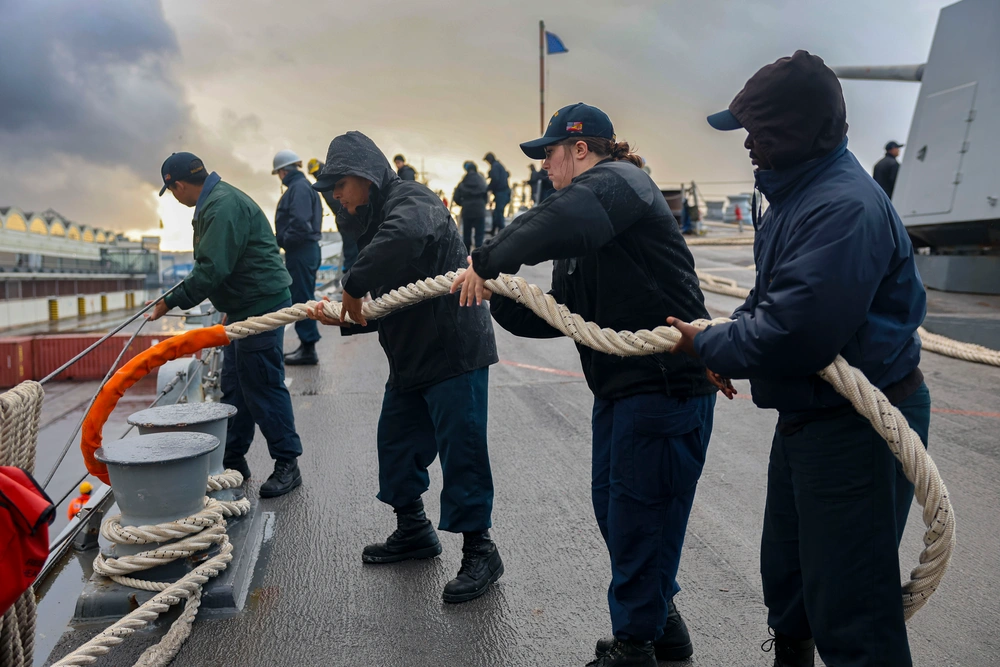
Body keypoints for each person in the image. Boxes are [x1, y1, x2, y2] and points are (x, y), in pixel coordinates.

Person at [671, 51, 930, 667]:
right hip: (812, 415)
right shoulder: (797, 195)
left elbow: (793, 335)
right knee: (789, 577)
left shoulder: (842, 207)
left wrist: (706, 343)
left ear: (793, 129)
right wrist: (729, 341)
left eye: (756, 131)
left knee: (852, 610)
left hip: (859, 428)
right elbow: (770, 301)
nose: (748, 146)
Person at [454, 103, 717, 667]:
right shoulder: (587, 223)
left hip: (666, 387)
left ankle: (634, 647)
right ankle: (661, 627)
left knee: (639, 515)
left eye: (548, 153)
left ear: (581, 149)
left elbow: (559, 218)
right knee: (616, 511)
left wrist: (488, 256)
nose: (543, 166)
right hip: (623, 389)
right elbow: (561, 313)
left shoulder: (622, 182)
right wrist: (499, 293)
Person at [307, 131, 503, 603]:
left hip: (453, 351)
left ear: (364, 175)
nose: (335, 196)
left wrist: (353, 283)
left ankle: (481, 550)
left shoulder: (410, 200)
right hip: (412, 356)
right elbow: (385, 302)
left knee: (464, 453)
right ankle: (414, 530)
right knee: (395, 444)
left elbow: (404, 238)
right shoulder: (369, 220)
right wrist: (341, 312)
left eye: (338, 184)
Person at [152, 152, 304, 498]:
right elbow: (227, 266)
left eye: (172, 191)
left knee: (263, 383)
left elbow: (211, 270)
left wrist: (168, 301)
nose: (175, 198)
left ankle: (287, 463)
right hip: (243, 307)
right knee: (235, 384)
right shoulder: (217, 200)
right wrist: (229, 308)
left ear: (176, 185)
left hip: (260, 305)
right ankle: (234, 457)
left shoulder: (220, 207)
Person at [272, 150, 323, 366]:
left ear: (283, 171)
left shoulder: (298, 189)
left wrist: (282, 240)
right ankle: (306, 345)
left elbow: (300, 224)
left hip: (301, 251)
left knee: (302, 298)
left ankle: (309, 348)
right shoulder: (304, 187)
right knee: (302, 297)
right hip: (305, 250)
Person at [309, 158, 360, 285]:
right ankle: (352, 277)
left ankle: (351, 276)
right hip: (348, 218)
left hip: (344, 219)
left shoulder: (324, 183)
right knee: (354, 248)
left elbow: (335, 203)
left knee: (351, 249)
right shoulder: (331, 178)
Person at [452, 161, 488, 250]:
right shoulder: (482, 181)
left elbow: (456, 197)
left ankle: (466, 257)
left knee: (466, 235)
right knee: (479, 236)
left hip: (467, 210)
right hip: (479, 210)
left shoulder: (463, 182)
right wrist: (482, 204)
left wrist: (463, 203)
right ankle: (479, 258)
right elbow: (486, 197)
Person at [483, 152, 510, 234]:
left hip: (501, 192)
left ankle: (502, 232)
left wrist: (488, 188)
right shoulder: (499, 165)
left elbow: (495, 180)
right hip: (503, 192)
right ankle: (493, 230)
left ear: (489, 159)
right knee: (496, 213)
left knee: (499, 213)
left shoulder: (495, 166)